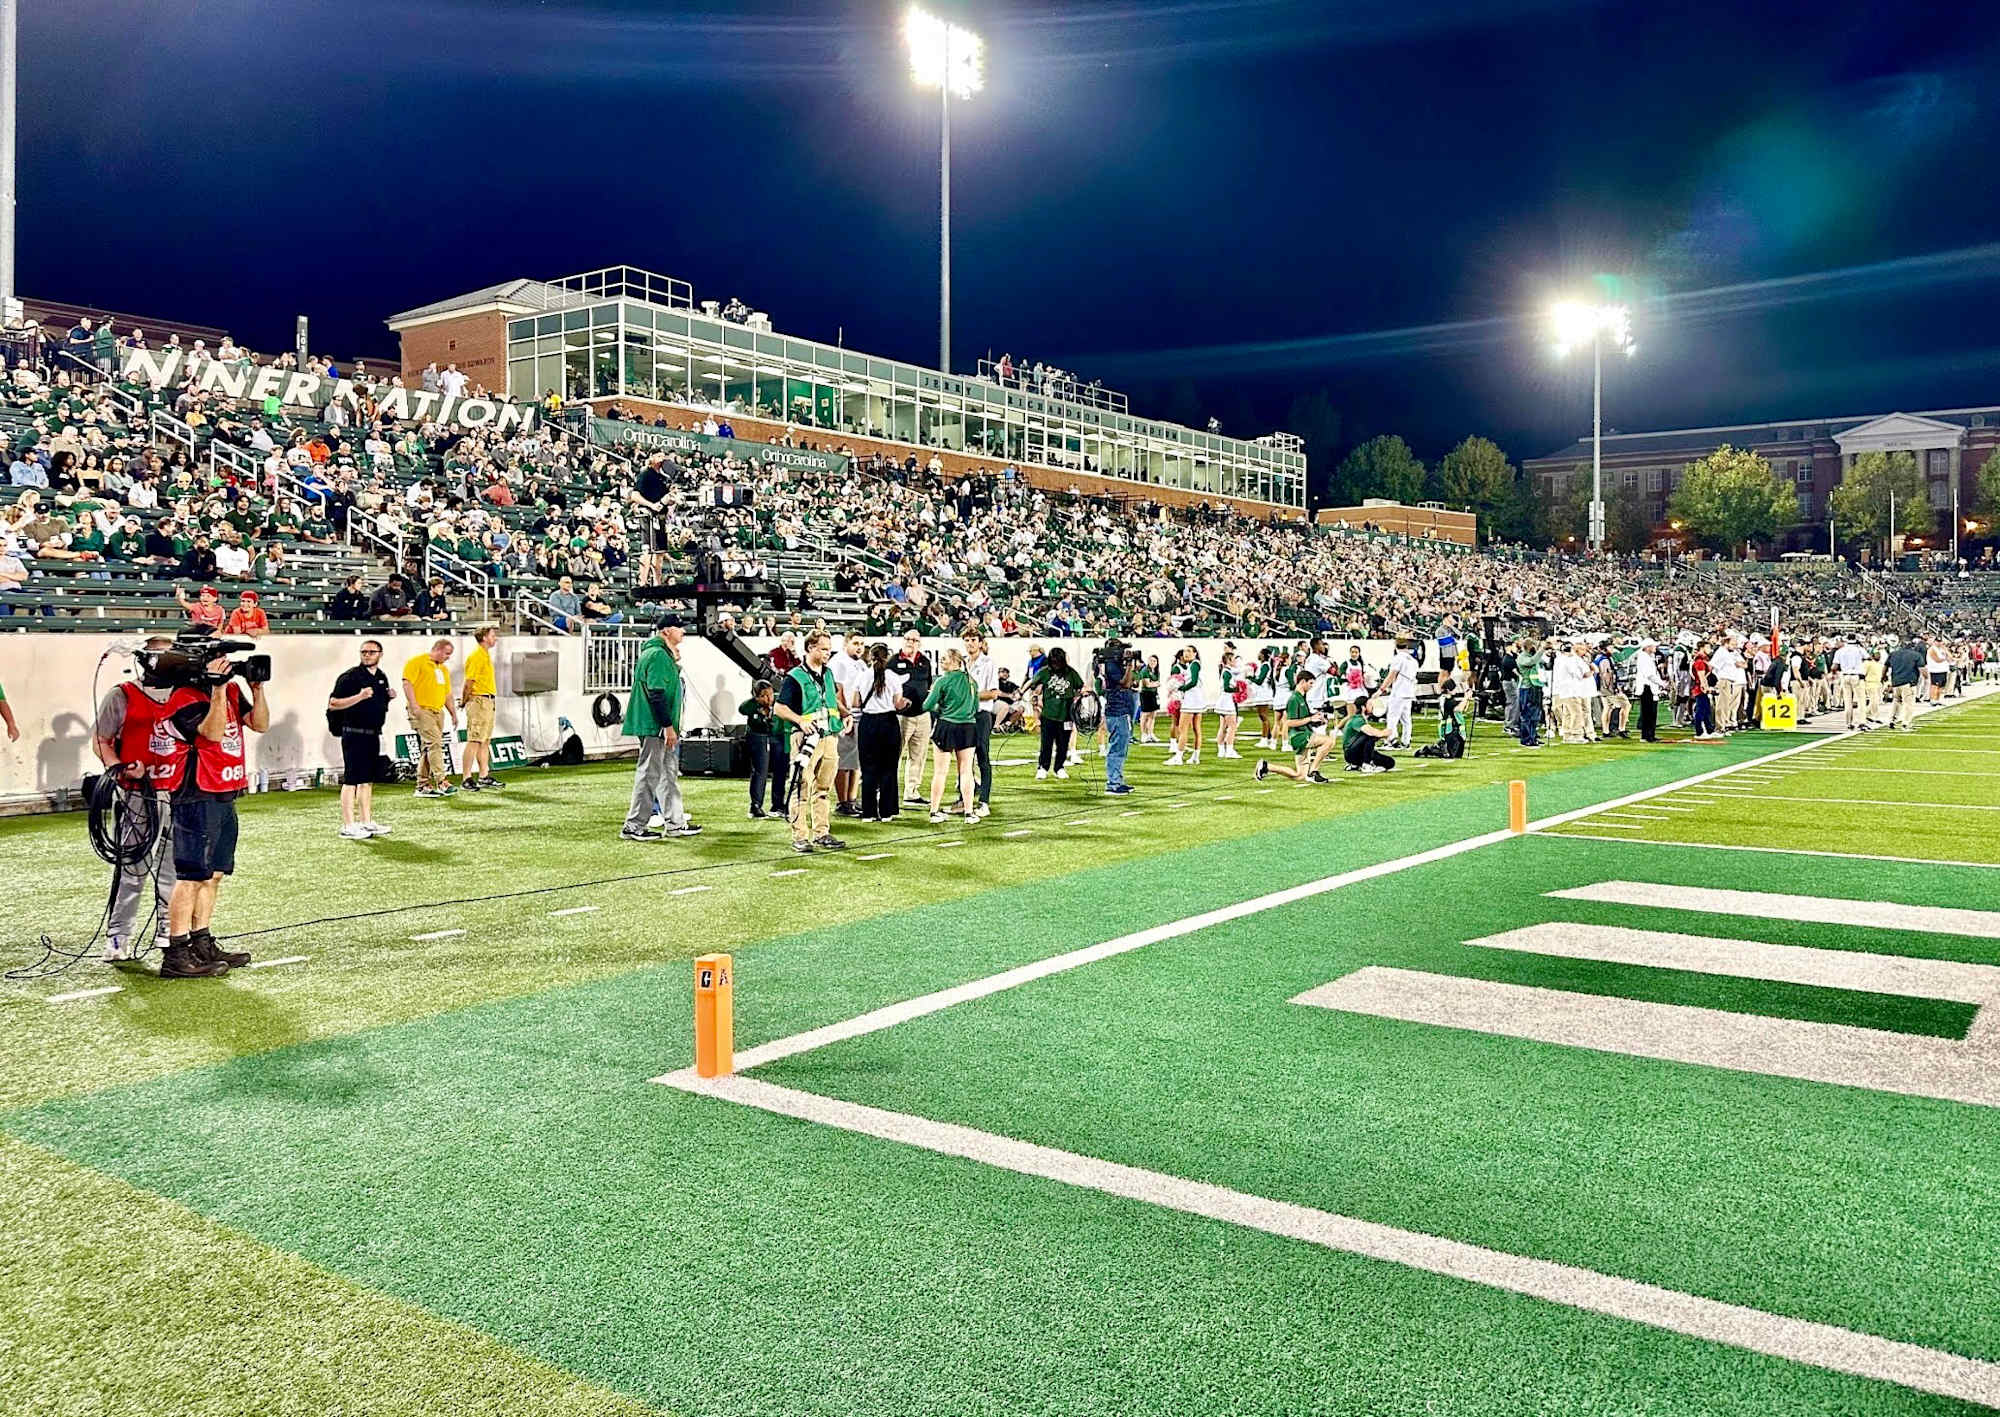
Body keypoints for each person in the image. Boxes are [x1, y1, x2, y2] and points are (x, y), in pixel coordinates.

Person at [161, 651, 268, 978]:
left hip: (225, 791)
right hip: (196, 793)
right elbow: (212, 733)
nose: (225, 665)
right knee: (191, 876)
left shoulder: (234, 691)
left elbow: (260, 724)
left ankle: (202, 941)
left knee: (215, 874)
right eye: (217, 659)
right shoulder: (183, 697)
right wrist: (218, 691)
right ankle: (176, 954)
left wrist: (257, 688)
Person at [91, 637, 194, 962]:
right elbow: (101, 739)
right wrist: (118, 767)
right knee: (132, 867)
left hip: (177, 791)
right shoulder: (122, 695)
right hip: (138, 794)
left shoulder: (186, 695)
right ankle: (119, 937)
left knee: (173, 871)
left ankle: (168, 930)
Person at [620, 616, 700, 841]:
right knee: (649, 774)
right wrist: (667, 726)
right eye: (679, 627)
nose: (683, 631)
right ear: (666, 631)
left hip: (657, 726)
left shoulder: (658, 654)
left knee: (667, 775)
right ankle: (634, 825)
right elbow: (656, 694)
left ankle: (675, 823)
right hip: (655, 726)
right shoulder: (657, 656)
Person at [775, 629, 848, 853]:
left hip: (828, 737)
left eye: (829, 649)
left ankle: (821, 833)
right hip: (806, 739)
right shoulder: (794, 676)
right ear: (810, 649)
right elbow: (778, 708)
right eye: (823, 649)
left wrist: (846, 713)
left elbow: (830, 701)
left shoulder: (827, 674)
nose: (828, 653)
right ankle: (799, 836)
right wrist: (800, 721)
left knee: (823, 788)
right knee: (801, 787)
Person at [328, 640, 393, 840]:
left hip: (373, 733)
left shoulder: (381, 677)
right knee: (352, 780)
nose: (367, 655)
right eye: (364, 652)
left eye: (371, 652)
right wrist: (360, 696)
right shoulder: (350, 677)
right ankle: (348, 824)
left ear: (380, 654)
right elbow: (333, 703)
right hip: (353, 733)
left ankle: (366, 822)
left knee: (367, 780)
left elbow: (378, 704)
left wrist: (388, 697)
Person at [854, 642, 909, 821]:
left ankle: (868, 812)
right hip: (888, 722)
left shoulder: (862, 676)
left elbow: (855, 702)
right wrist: (906, 703)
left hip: (868, 722)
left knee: (868, 767)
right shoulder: (893, 677)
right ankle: (887, 811)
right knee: (888, 767)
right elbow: (897, 703)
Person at [924, 647, 980, 823]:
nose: (942, 661)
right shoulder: (972, 682)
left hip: (946, 726)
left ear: (956, 662)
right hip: (968, 727)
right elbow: (976, 707)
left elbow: (927, 705)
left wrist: (939, 706)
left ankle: (934, 812)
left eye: (946, 658)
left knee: (940, 772)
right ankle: (969, 813)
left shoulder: (942, 681)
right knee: (966, 771)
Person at [1253, 670, 1335, 782]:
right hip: (1299, 736)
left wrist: (1316, 718)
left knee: (1300, 775)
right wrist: (1310, 719)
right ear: (1302, 682)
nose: (1312, 686)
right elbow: (1289, 722)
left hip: (1303, 734)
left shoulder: (1301, 697)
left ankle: (1266, 767)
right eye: (1310, 683)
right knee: (1329, 741)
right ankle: (1313, 772)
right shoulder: (1294, 699)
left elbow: (1303, 718)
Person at [401, 639, 458, 797]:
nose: (448, 657)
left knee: (428, 748)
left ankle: (422, 785)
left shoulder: (443, 669)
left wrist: (453, 713)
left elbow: (447, 694)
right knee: (435, 744)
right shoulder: (417, 662)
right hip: (422, 710)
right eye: (447, 653)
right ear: (438, 650)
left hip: (437, 711)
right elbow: (407, 683)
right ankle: (442, 782)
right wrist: (414, 706)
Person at [1026, 647, 1084, 780]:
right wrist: (1023, 692)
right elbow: (1033, 682)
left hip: (1066, 716)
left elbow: (1081, 686)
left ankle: (1059, 767)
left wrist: (1081, 695)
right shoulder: (1045, 672)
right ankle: (1043, 767)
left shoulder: (1071, 673)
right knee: (1046, 744)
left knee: (1063, 744)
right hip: (1048, 714)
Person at [890, 630, 933, 805]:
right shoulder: (893, 661)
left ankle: (912, 792)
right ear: (903, 640)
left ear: (919, 643)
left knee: (919, 755)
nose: (911, 642)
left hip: (922, 714)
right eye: (908, 639)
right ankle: (888, 790)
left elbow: (928, 684)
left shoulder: (924, 661)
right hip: (900, 716)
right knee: (893, 754)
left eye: (915, 640)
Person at [458, 625, 503, 791]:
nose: (495, 638)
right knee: (475, 740)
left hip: (487, 700)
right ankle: (466, 777)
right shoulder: (477, 656)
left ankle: (484, 775)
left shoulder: (484, 655)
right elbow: (469, 682)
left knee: (484, 740)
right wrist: (465, 701)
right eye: (493, 635)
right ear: (484, 637)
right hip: (479, 700)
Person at [829, 632, 867, 818]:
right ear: (846, 644)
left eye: (862, 643)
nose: (859, 647)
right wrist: (845, 714)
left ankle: (851, 799)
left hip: (860, 715)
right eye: (855, 643)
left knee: (856, 760)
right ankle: (842, 801)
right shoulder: (839, 662)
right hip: (846, 716)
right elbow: (838, 691)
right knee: (844, 760)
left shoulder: (860, 664)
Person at [740, 679, 786, 819]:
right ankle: (755, 806)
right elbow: (742, 709)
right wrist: (758, 706)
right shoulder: (751, 706)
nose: (768, 698)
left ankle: (778, 805)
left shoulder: (779, 701)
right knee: (761, 771)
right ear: (756, 696)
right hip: (759, 737)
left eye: (770, 694)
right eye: (763, 695)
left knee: (780, 770)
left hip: (777, 737)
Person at [965, 629, 998, 817]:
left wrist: (967, 697)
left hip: (981, 714)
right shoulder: (963, 663)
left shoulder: (988, 663)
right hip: (964, 715)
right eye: (967, 640)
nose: (970, 643)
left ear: (980, 642)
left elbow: (993, 692)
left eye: (973, 640)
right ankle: (966, 797)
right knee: (965, 759)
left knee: (983, 757)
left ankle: (984, 801)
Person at [1099, 641, 1136, 795]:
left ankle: (1117, 780)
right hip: (1117, 710)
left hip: (1120, 710)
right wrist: (1129, 666)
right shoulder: (1111, 665)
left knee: (1121, 747)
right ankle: (1113, 783)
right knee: (1117, 748)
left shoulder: (1113, 664)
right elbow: (1126, 683)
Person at [1165, 646, 1204, 767]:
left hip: (1191, 700)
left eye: (1189, 651)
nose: (1186, 654)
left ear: (1195, 653)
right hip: (1197, 700)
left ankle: (1178, 757)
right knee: (1196, 729)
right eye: (1185, 651)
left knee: (1183, 729)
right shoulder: (1193, 664)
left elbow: (1193, 681)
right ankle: (1195, 757)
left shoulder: (1194, 664)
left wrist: (1180, 688)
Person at [1340, 694, 1397, 774]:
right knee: (1370, 736)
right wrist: (1384, 733)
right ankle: (1366, 764)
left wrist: (1382, 735)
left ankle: (1356, 765)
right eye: (1369, 704)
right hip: (1351, 753)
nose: (1372, 706)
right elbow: (1370, 732)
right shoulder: (1357, 719)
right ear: (1363, 707)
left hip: (1358, 751)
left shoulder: (1362, 719)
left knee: (1390, 762)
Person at [1379, 636, 1419, 749]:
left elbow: (1391, 676)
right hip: (1409, 692)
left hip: (1399, 692)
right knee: (1406, 719)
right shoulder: (1413, 661)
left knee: (1392, 717)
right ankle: (1406, 742)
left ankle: (1390, 741)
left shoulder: (1397, 659)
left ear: (1395, 646)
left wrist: (1381, 689)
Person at [1633, 638, 1666, 742]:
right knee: (1648, 712)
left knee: (1650, 712)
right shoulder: (1644, 658)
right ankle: (1647, 735)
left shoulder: (1647, 657)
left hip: (1650, 687)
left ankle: (1649, 734)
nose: (1655, 647)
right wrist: (1662, 683)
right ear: (1647, 647)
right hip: (1647, 687)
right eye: (1653, 646)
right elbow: (1650, 675)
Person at [1514, 638, 1545, 748]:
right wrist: (1542, 650)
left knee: (1535, 715)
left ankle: (1533, 736)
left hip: (1536, 687)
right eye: (1534, 645)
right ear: (1528, 646)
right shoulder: (1522, 657)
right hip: (1526, 688)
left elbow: (1543, 662)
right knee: (1527, 714)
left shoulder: (1534, 656)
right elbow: (1532, 662)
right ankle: (1526, 739)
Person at [1886, 636, 1922, 730]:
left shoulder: (1893, 654)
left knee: (1896, 702)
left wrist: (1883, 677)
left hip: (1896, 682)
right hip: (1908, 682)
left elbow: (1885, 666)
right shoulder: (1915, 655)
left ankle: (1891, 720)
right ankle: (1905, 722)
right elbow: (1922, 668)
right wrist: (1926, 677)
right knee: (1908, 703)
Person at [1214, 649, 1244, 759]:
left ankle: (1221, 750)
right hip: (1227, 702)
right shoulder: (1227, 672)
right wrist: (1237, 689)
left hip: (1224, 701)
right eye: (1233, 660)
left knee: (1223, 726)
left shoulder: (1227, 671)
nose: (1235, 662)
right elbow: (1227, 688)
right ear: (1228, 660)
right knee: (1232, 726)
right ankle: (1229, 750)